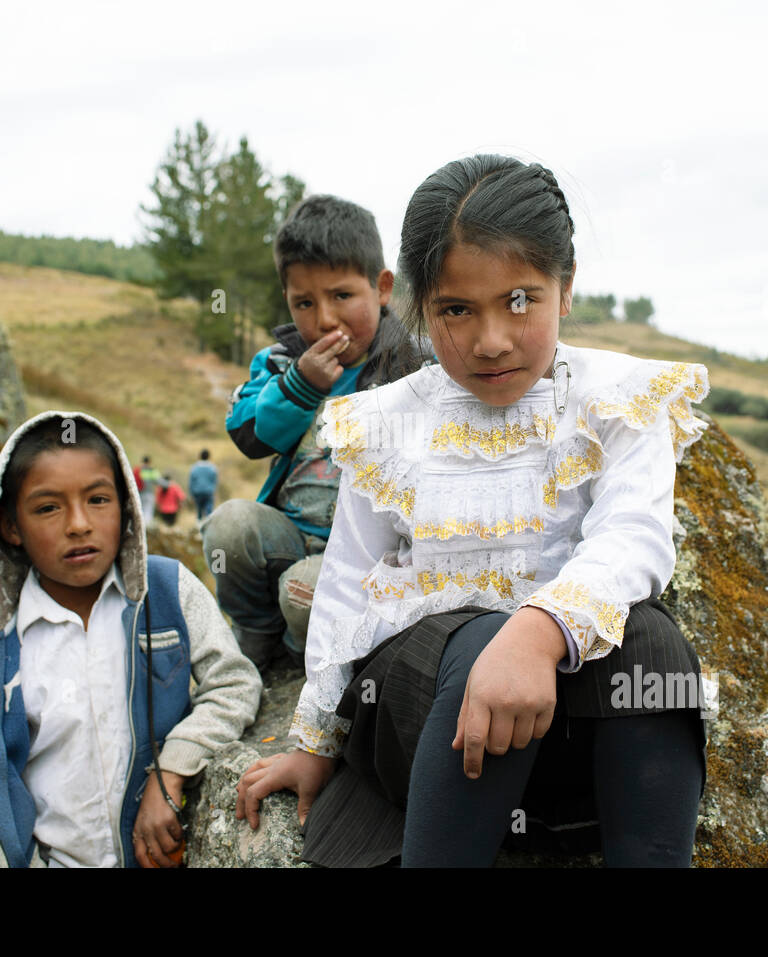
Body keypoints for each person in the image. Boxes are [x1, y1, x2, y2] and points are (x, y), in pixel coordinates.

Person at [234, 155, 712, 868]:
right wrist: (313, 742)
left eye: (520, 299)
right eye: (456, 309)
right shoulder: (388, 422)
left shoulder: (617, 400)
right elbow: (345, 579)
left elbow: (634, 537)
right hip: (420, 714)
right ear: (419, 307)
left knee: (651, 643)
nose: (491, 339)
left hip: (562, 731)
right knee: (484, 636)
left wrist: (541, 630)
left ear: (566, 287)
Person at [0, 410, 262, 868]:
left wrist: (171, 770)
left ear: (126, 504)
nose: (78, 524)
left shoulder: (167, 593)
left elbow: (233, 684)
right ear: (11, 526)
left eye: (98, 499)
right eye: (48, 507)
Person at [202, 194, 429, 671]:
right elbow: (248, 435)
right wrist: (299, 388)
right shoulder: (280, 363)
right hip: (287, 534)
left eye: (342, 296)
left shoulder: (412, 366)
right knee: (229, 526)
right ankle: (257, 635)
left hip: (362, 553)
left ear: (382, 288)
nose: (324, 319)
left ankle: (295, 646)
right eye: (304, 302)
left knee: (302, 593)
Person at [188, 449, 218, 521]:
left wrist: (191, 494)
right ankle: (209, 526)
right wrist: (215, 492)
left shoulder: (194, 467)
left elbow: (191, 482)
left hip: (197, 492)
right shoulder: (213, 468)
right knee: (209, 512)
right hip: (208, 492)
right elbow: (214, 481)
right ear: (209, 457)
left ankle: (199, 526)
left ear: (200, 456)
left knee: (199, 510)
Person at [137, 456, 160, 524]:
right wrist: (168, 484)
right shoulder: (151, 470)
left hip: (139, 493)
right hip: (149, 493)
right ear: (149, 462)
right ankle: (147, 526)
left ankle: (140, 524)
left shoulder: (138, 470)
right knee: (148, 510)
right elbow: (158, 481)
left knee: (140, 510)